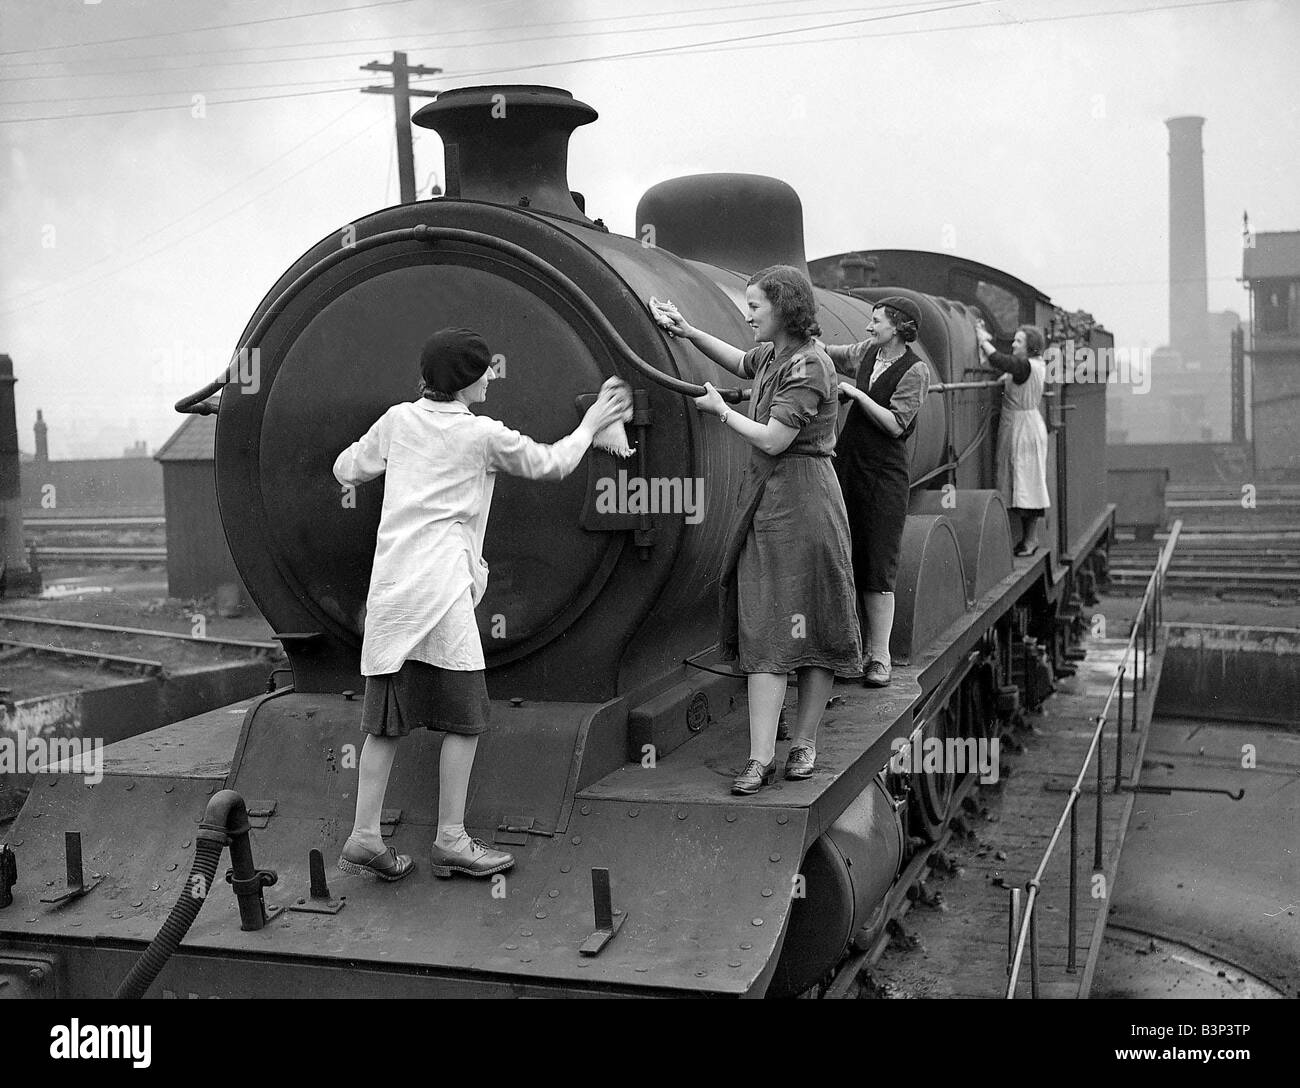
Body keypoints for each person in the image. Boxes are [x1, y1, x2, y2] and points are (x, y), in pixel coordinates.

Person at [333, 328, 631, 881]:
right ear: (467, 380)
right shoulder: (481, 436)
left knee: (384, 725)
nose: (494, 374)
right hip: (443, 588)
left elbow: (346, 468)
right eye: (485, 370)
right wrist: (591, 425)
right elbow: (552, 464)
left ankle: (364, 836)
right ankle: (450, 839)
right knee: (465, 720)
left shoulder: (398, 421)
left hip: (393, 591)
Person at [651, 266, 862, 794]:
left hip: (806, 503)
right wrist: (687, 331)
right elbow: (740, 361)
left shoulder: (811, 367)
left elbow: (772, 440)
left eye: (755, 307)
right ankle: (761, 757)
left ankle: (805, 743)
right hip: (769, 502)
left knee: (815, 626)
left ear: (785, 309)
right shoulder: (773, 356)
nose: (747, 315)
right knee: (767, 626)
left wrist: (722, 410)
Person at [820, 297, 931, 688]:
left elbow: (896, 424)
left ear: (898, 327)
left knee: (878, 563)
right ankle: (847, 653)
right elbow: (833, 355)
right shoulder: (868, 351)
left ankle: (879, 655)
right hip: (849, 464)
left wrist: (859, 395)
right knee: (843, 555)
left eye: (876, 321)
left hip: (884, 474)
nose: (868, 327)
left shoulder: (916, 371)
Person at [976, 322, 1050, 556]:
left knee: (1027, 481)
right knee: (1019, 479)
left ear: (1030, 347)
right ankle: (1024, 538)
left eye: (1019, 341)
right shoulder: (1032, 365)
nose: (1014, 344)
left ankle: (1031, 539)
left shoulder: (1026, 366)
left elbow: (1002, 361)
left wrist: (982, 341)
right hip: (1020, 424)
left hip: (1023, 428)